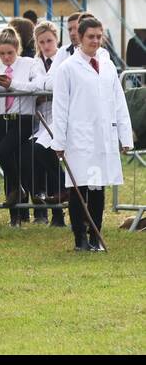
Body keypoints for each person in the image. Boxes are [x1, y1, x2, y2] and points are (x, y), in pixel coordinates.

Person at [49, 16, 133, 252]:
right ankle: (80, 239)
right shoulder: (67, 68)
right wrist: (59, 141)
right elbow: (60, 107)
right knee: (79, 189)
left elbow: (119, 102)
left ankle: (95, 236)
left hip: (102, 137)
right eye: (91, 37)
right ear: (80, 38)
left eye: (99, 36)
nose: (95, 41)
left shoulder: (107, 66)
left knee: (97, 188)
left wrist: (125, 136)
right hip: (79, 138)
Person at [0, 26, 39, 226]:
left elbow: (38, 86)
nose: (6, 57)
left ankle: (22, 195)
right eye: (2, 53)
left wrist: (12, 85)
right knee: (9, 166)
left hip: (22, 119)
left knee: (4, 153)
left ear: (18, 49)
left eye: (10, 53)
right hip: (0, 120)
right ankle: (15, 216)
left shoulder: (29, 64)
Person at [26, 20, 66, 227]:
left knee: (45, 154)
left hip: (59, 117)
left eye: (49, 40)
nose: (46, 45)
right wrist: (41, 90)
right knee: (35, 156)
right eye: (42, 42)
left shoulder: (64, 59)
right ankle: (47, 203)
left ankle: (59, 211)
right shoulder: (35, 63)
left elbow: (48, 85)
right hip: (41, 118)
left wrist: (42, 89)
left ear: (56, 39)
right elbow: (35, 85)